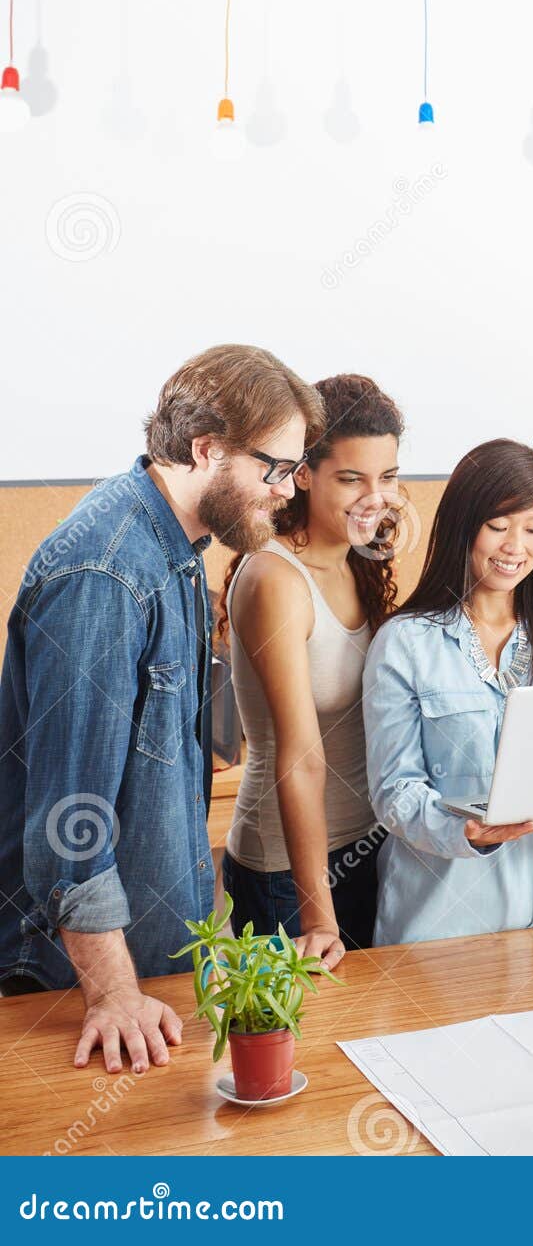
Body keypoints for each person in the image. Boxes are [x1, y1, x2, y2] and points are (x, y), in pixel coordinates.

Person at [0, 346, 323, 1072]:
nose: (287, 490)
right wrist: (113, 993)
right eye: (275, 468)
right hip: (72, 990)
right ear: (206, 450)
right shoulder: (106, 573)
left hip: (146, 977)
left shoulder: (179, 549)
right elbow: (68, 824)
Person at [362, 439, 533, 946]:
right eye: (499, 526)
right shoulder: (405, 643)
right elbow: (394, 793)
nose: (516, 547)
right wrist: (465, 830)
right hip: (437, 926)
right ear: (465, 526)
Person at [219, 375, 403, 968]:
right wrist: (318, 912)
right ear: (303, 473)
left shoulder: (361, 562)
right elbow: (300, 756)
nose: (374, 498)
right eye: (351, 479)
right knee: (301, 1049)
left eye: (389, 477)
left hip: (368, 847)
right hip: (289, 873)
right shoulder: (275, 580)